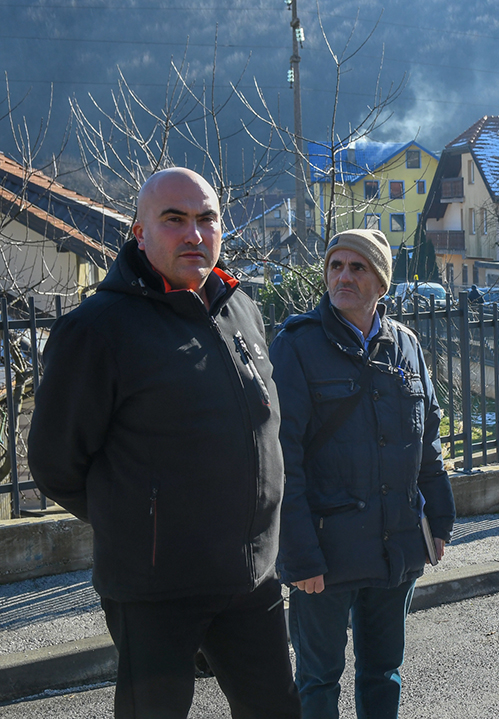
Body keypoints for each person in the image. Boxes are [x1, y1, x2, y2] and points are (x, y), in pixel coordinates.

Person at [26, 168, 300, 719]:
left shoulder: (240, 310)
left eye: (206, 219)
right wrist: (142, 522)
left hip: (250, 577)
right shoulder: (99, 329)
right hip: (155, 589)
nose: (193, 234)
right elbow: (56, 465)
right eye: (174, 219)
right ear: (140, 232)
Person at [270, 229, 455, 719]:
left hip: (396, 544)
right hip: (325, 553)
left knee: (383, 671)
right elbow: (282, 459)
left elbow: (427, 441)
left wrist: (439, 520)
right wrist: (299, 555)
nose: (343, 277)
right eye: (336, 266)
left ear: (382, 283)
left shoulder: (406, 346)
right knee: (318, 679)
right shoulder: (297, 345)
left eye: (358, 267)